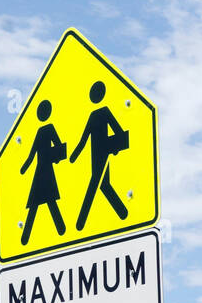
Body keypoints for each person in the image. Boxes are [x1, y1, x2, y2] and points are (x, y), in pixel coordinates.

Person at [68, 80, 129, 231]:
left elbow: (118, 130)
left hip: (102, 154)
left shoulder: (103, 112)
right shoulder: (94, 115)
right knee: (103, 184)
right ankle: (122, 212)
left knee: (95, 183)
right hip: (96, 155)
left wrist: (115, 145)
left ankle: (80, 222)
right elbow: (83, 139)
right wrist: (74, 156)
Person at [19, 99, 66, 246]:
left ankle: (61, 229)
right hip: (41, 170)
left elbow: (58, 145)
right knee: (36, 202)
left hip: (44, 169)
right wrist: (24, 167)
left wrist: (57, 158)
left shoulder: (48, 129)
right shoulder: (41, 131)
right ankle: (26, 237)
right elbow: (32, 154)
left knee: (45, 201)